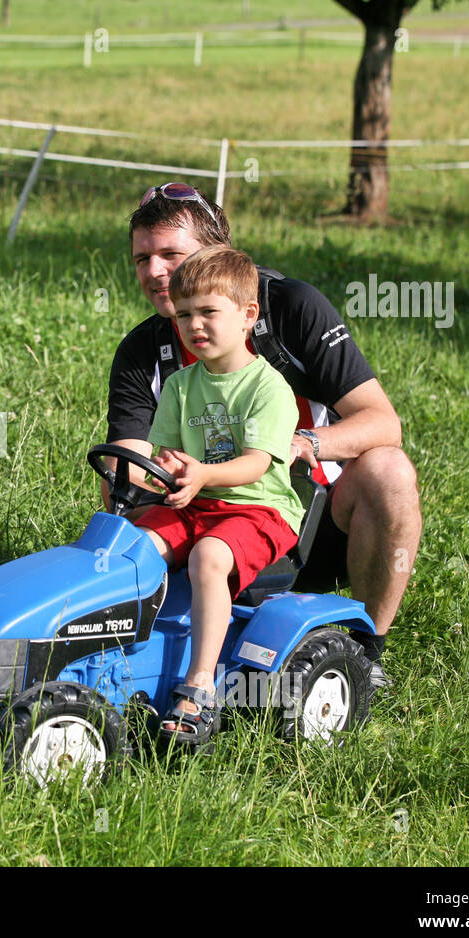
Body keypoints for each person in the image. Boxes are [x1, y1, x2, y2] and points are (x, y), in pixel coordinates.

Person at [105, 183, 421, 686]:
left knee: (390, 470)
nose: (155, 272)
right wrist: (146, 480)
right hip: (205, 524)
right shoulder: (143, 351)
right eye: (142, 258)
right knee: (126, 528)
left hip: (309, 523)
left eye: (171, 254)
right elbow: (124, 475)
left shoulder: (292, 308)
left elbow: (384, 423)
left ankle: (365, 654)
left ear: (218, 255)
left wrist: (302, 444)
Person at [134, 246, 304, 745]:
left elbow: (257, 463)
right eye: (185, 315)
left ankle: (200, 685)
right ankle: (121, 651)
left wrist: (202, 473)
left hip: (260, 509)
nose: (195, 325)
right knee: (128, 547)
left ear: (248, 316)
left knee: (209, 556)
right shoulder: (182, 385)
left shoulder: (268, 388)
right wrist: (165, 470)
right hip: (197, 502)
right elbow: (164, 451)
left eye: (209, 311)